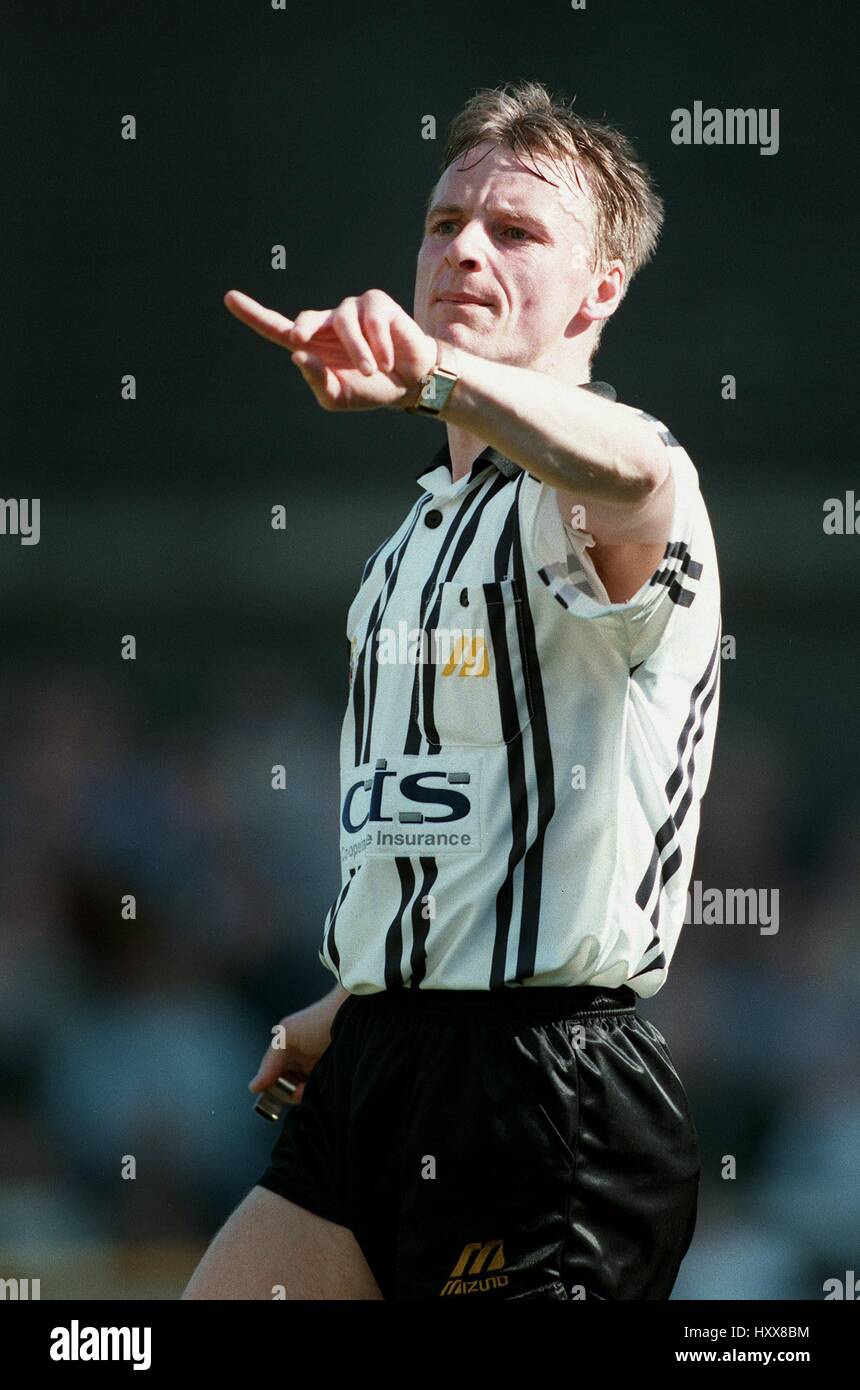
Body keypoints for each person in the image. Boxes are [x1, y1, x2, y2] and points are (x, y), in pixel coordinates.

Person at [183, 79, 721, 1301]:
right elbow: (461, 815)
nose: (464, 248)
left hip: (544, 1091)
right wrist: (363, 989)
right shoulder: (414, 536)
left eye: (516, 230)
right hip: (383, 1060)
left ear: (599, 291)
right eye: (443, 225)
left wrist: (433, 377)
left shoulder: (604, 479)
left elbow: (639, 473)